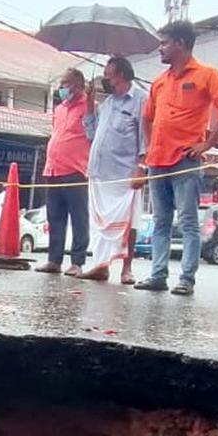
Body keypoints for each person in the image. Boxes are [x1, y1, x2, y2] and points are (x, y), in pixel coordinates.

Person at [134, 20, 218, 296]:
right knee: (160, 222)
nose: (160, 48)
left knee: (188, 222)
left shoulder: (207, 74)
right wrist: (149, 148)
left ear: (180, 43)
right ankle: (158, 275)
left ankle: (186, 279)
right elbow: (146, 117)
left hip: (185, 160)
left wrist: (207, 143)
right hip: (157, 162)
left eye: (164, 43)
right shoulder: (160, 81)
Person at [79, 56, 148, 284]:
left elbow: (145, 137)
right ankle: (101, 265)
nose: (105, 79)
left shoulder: (141, 99)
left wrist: (142, 168)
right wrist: (89, 103)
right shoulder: (107, 103)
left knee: (129, 222)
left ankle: (127, 269)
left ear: (122, 75)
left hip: (125, 175)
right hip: (99, 173)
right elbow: (91, 134)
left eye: (108, 75)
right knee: (100, 223)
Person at [36, 69, 92, 276]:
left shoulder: (89, 107)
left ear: (78, 85)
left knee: (79, 218)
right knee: (55, 217)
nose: (61, 89)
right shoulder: (59, 109)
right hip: (53, 170)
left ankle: (77, 262)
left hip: (75, 169)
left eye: (65, 84)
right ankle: (54, 260)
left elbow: (92, 134)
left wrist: (91, 103)